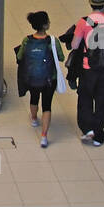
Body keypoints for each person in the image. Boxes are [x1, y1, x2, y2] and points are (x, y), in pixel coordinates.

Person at [61, 0, 104, 147]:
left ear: (91, 4)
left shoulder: (84, 22)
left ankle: (87, 129)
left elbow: (74, 45)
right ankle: (98, 134)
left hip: (87, 68)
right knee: (103, 101)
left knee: (85, 99)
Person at [16, 11, 60, 148]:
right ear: (46, 25)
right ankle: (44, 136)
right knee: (47, 105)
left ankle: (34, 119)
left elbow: (20, 57)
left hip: (32, 77)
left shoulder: (27, 40)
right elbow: (61, 57)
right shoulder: (52, 41)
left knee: (34, 98)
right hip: (49, 79)